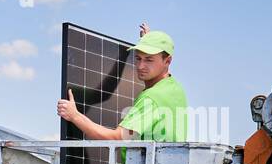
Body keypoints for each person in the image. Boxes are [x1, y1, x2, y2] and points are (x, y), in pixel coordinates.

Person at [57, 23, 188, 143]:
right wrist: (150, 41)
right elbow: (158, 74)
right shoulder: (175, 90)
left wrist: (75, 116)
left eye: (149, 60)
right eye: (138, 58)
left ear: (167, 61)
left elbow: (118, 138)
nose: (140, 66)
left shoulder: (150, 98)